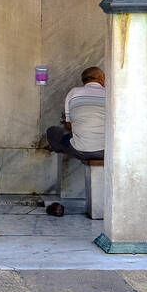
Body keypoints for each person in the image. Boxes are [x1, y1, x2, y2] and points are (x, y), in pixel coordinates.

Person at [44, 66, 105, 217]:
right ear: (102, 79)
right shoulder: (111, 94)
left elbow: (69, 125)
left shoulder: (74, 93)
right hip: (108, 151)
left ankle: (58, 149)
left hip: (80, 150)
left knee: (53, 132)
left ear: (83, 81)